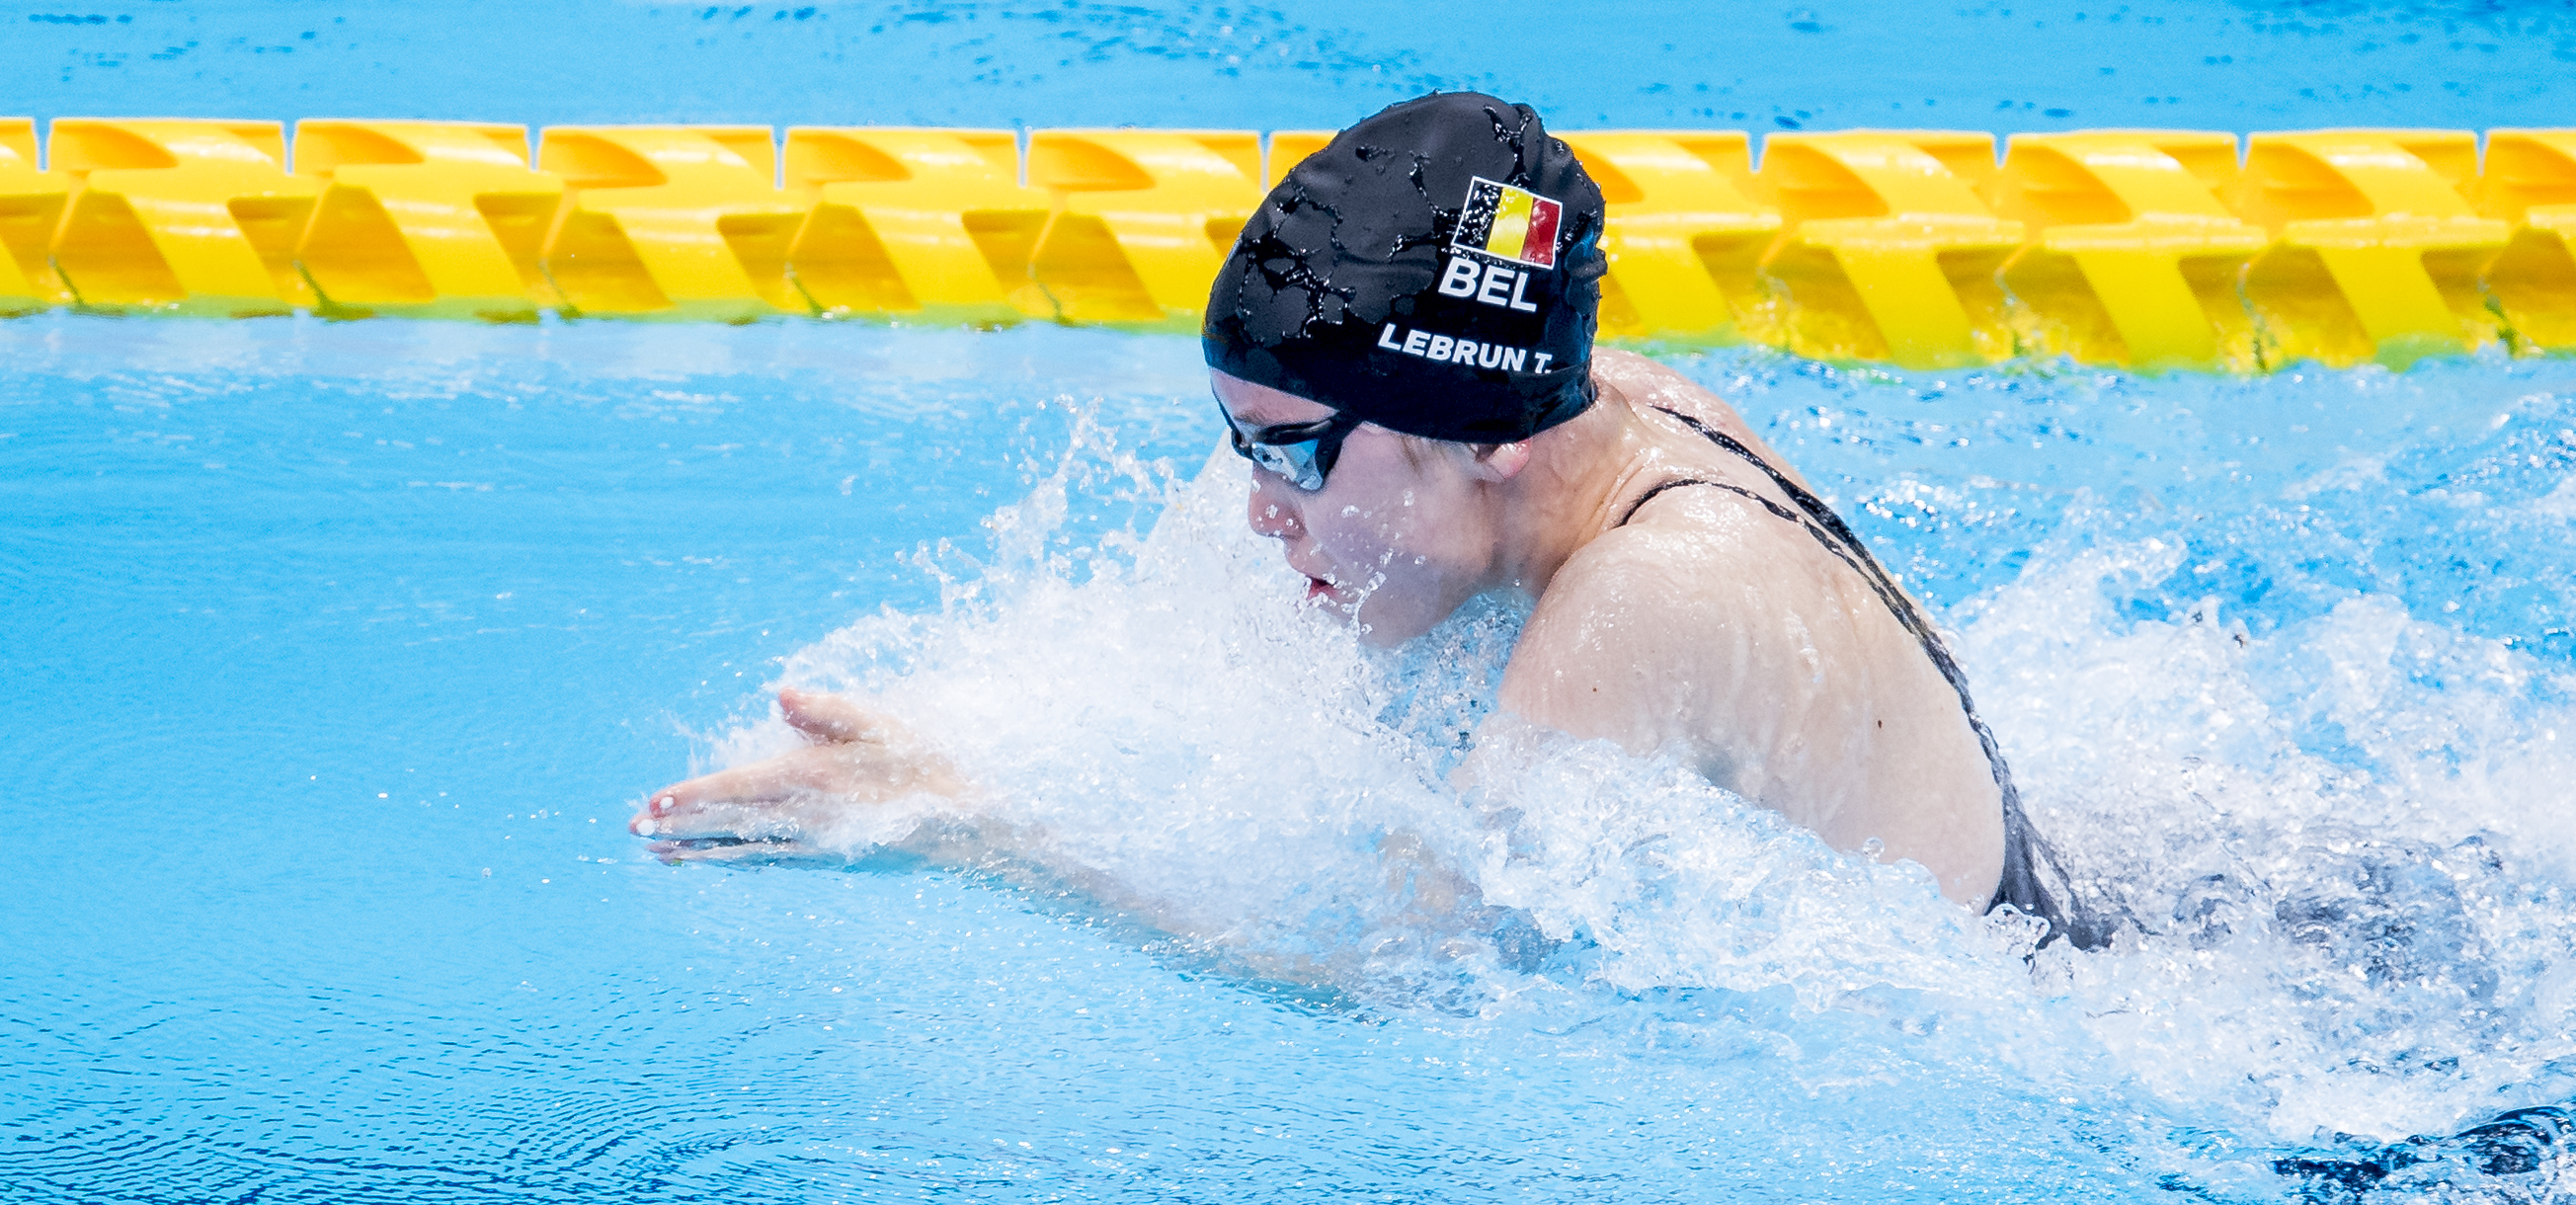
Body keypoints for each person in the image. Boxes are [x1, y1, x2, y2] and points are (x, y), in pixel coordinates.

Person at [632, 91, 2105, 949]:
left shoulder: (1651, 599)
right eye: (1240, 450)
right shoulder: (1583, 412)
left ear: (1479, 441)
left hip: (2072, 1031)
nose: (1262, 516)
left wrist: (966, 823)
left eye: (1290, 459)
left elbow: (1409, 961)